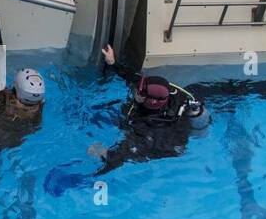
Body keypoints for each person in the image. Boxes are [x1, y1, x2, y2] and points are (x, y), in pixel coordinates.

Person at [86, 44, 210, 173]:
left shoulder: (150, 124)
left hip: (165, 146)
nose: (136, 94)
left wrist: (102, 153)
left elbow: (123, 156)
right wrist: (112, 63)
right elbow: (132, 77)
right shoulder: (168, 92)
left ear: (152, 101)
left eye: (140, 94)